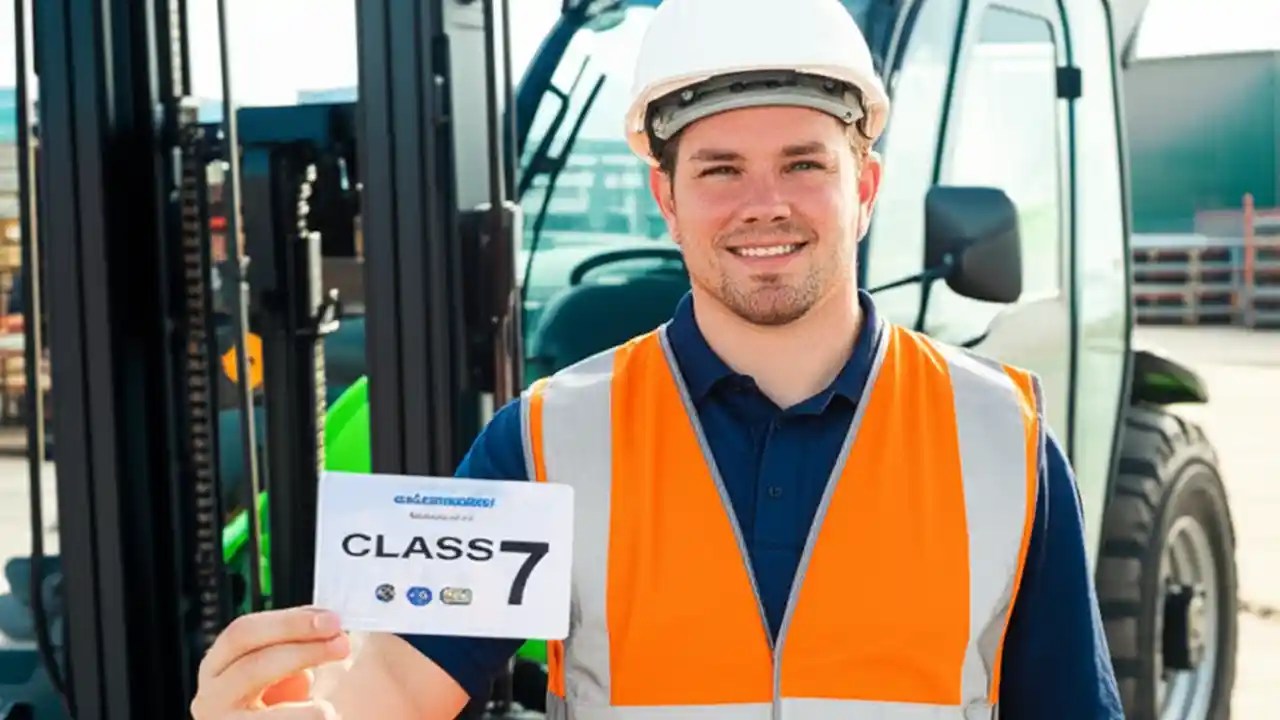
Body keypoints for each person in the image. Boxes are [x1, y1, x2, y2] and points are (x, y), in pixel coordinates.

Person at [190, 0, 1125, 717]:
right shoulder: (550, 440)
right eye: (720, 169)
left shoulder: (1002, 434)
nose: (764, 203)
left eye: (804, 163)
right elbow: (396, 680)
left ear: (865, 188)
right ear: (667, 200)